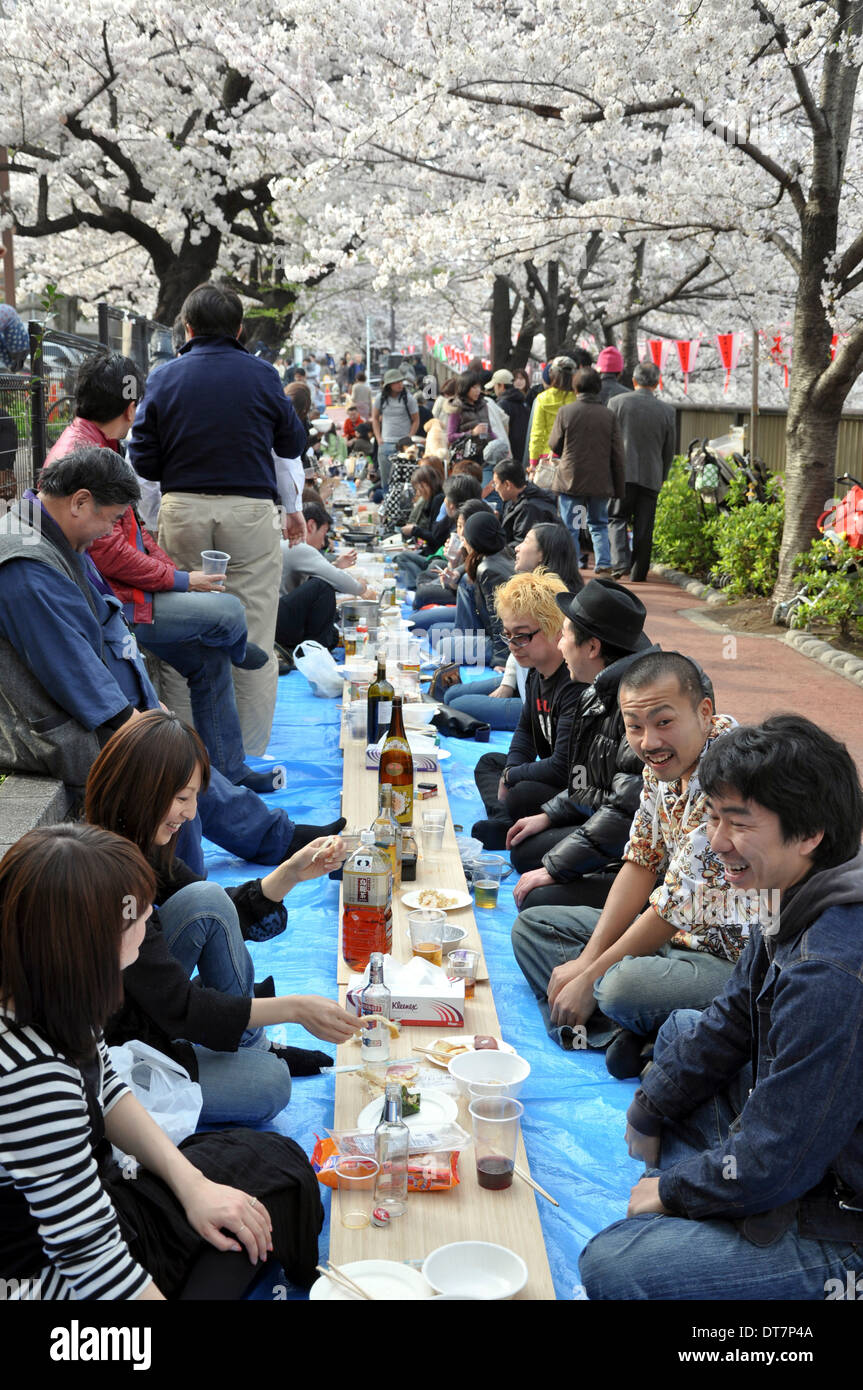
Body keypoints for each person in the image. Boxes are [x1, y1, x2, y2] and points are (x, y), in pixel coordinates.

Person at [580, 715, 863, 1303]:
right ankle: (717, 1205)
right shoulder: (790, 888)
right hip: (797, 1147)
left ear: (809, 832)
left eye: (739, 822)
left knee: (615, 1265)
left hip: (841, 1218)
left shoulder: (831, 969)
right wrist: (649, 1106)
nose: (716, 841)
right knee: (685, 1035)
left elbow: (781, 1156)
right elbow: (731, 1018)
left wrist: (673, 1192)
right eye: (711, 817)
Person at [0, 822, 325, 1300]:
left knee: (267, 1165)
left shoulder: (49, 991)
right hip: (43, 1275)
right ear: (88, 943)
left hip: (91, 1205)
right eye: (137, 913)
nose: (151, 917)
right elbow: (89, 1256)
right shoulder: (34, 1080)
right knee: (268, 1196)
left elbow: (106, 1088)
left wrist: (193, 1187)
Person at [0, 449, 344, 869]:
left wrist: (146, 702)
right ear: (80, 501)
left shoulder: (53, 532)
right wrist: (138, 721)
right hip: (66, 731)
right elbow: (73, 675)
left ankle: (275, 838)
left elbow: (104, 631)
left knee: (183, 752)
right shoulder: (26, 567)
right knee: (171, 775)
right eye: (109, 519)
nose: (108, 531)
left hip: (100, 711)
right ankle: (187, 900)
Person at [86, 712, 362, 1122]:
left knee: (206, 897)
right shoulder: (109, 878)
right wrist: (295, 1009)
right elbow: (179, 1004)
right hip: (112, 1053)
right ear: (141, 789)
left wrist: (290, 873)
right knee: (269, 1084)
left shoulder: (132, 843)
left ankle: (248, 1045)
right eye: (182, 798)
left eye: (195, 797)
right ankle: (238, 1053)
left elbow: (211, 910)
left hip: (144, 1008)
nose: (192, 812)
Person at [511, 650, 759, 1075]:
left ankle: (628, 1026)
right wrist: (588, 962)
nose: (649, 741)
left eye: (664, 722)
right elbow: (641, 860)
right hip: (674, 938)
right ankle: (632, 1037)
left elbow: (672, 906)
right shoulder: (661, 765)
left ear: (704, 712)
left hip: (734, 960)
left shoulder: (727, 776)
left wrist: (589, 978)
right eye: (635, 726)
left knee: (617, 988)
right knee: (533, 927)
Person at [44, 351, 278, 795]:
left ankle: (230, 769)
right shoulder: (84, 453)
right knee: (228, 612)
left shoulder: (99, 446)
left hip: (127, 594)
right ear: (131, 408)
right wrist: (182, 580)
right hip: (115, 606)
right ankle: (237, 646)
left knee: (209, 657)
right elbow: (110, 552)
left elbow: (134, 533)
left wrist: (173, 571)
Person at [128, 283, 308, 757]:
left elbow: (142, 460)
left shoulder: (164, 378)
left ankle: (185, 758)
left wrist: (158, 505)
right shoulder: (263, 376)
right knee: (251, 635)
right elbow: (290, 445)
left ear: (187, 328)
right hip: (249, 513)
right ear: (240, 329)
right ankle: (245, 758)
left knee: (185, 632)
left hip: (183, 508)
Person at [506, 580, 654, 908]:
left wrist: (555, 868)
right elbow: (585, 780)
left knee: (537, 896)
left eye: (567, 635)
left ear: (592, 648)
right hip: (613, 826)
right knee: (524, 851)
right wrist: (548, 815)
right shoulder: (599, 688)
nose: (560, 646)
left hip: (645, 858)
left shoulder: (640, 705)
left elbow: (624, 814)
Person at [469, 571, 584, 847]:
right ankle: (506, 822)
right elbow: (525, 730)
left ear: (555, 630)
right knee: (489, 763)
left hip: (574, 785)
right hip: (546, 772)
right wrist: (510, 769)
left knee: (522, 792)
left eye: (521, 636)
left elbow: (562, 767)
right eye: (507, 635)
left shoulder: (574, 683)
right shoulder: (535, 672)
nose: (512, 646)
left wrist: (512, 776)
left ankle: (511, 822)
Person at [437, 522, 583, 728]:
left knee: (457, 701)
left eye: (526, 541)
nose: (516, 547)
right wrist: (508, 681)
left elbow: (524, 643)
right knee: (452, 694)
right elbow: (517, 639)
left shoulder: (559, 601)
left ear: (542, 554)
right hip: (523, 679)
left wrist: (507, 672)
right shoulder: (524, 585)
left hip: (543, 699)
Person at [547, 366, 625, 576]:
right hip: (600, 480)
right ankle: (603, 564)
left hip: (571, 479)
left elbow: (554, 444)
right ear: (598, 388)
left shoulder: (566, 412)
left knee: (571, 525)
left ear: (575, 388)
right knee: (598, 523)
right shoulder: (608, 415)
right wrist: (618, 486)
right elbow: (617, 453)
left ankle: (570, 567)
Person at [607, 360, 676, 582]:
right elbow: (669, 449)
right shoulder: (667, 411)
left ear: (634, 381)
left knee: (616, 517)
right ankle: (639, 571)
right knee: (644, 525)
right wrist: (662, 475)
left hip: (621, 474)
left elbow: (607, 441)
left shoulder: (616, 403)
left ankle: (619, 564)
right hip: (651, 474)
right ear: (657, 383)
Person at [277, 500, 373, 658]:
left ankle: (310, 647)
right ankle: (312, 653)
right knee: (323, 587)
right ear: (311, 526)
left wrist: (335, 564)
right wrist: (362, 587)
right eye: (324, 533)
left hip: (274, 617)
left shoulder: (287, 543)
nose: (323, 543)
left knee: (333, 635)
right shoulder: (297, 546)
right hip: (276, 623)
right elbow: (345, 583)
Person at [433, 509, 515, 668]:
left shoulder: (488, 570)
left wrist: (501, 661)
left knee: (443, 646)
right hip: (485, 631)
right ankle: (464, 639)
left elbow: (498, 620)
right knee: (435, 632)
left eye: (466, 539)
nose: (463, 542)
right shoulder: (499, 554)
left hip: (506, 646)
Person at [492, 456, 560, 544]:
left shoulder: (529, 508)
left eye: (496, 484)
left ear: (507, 484)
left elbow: (521, 544)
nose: (495, 489)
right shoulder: (513, 498)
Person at [372, 370, 419, 489]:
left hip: (404, 445)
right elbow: (375, 418)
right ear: (389, 385)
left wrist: (409, 437)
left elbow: (416, 420)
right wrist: (378, 438)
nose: (400, 384)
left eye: (401, 381)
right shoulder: (380, 398)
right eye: (396, 382)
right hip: (385, 442)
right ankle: (388, 503)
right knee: (386, 479)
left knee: (405, 480)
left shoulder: (409, 399)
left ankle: (403, 505)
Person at [527, 356, 577, 466]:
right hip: (573, 457)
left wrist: (533, 463)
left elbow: (537, 433)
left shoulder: (542, 398)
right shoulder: (578, 399)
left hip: (547, 459)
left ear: (552, 375)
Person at [490, 368, 531, 463]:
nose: (494, 389)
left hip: (509, 454)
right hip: (524, 452)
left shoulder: (502, 405)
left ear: (501, 385)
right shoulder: (523, 402)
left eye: (495, 386)